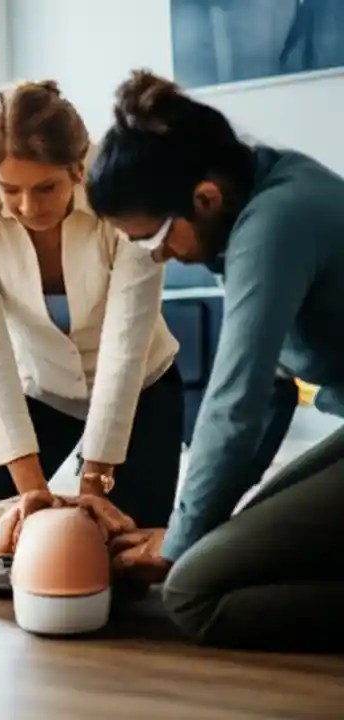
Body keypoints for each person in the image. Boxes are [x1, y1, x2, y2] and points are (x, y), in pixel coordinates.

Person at [88, 69, 344, 650]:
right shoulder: (268, 188)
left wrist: (180, 545)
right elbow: (273, 392)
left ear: (205, 198)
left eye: (156, 241)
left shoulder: (274, 223)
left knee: (192, 593)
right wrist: (196, 529)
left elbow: (234, 406)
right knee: (218, 550)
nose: (164, 259)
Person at [0, 79, 184, 553]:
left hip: (141, 387)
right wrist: (31, 488)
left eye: (46, 187)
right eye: (10, 189)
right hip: (43, 389)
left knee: (117, 539)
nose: (30, 207)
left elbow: (125, 344)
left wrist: (94, 484)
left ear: (78, 167)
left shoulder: (126, 195)